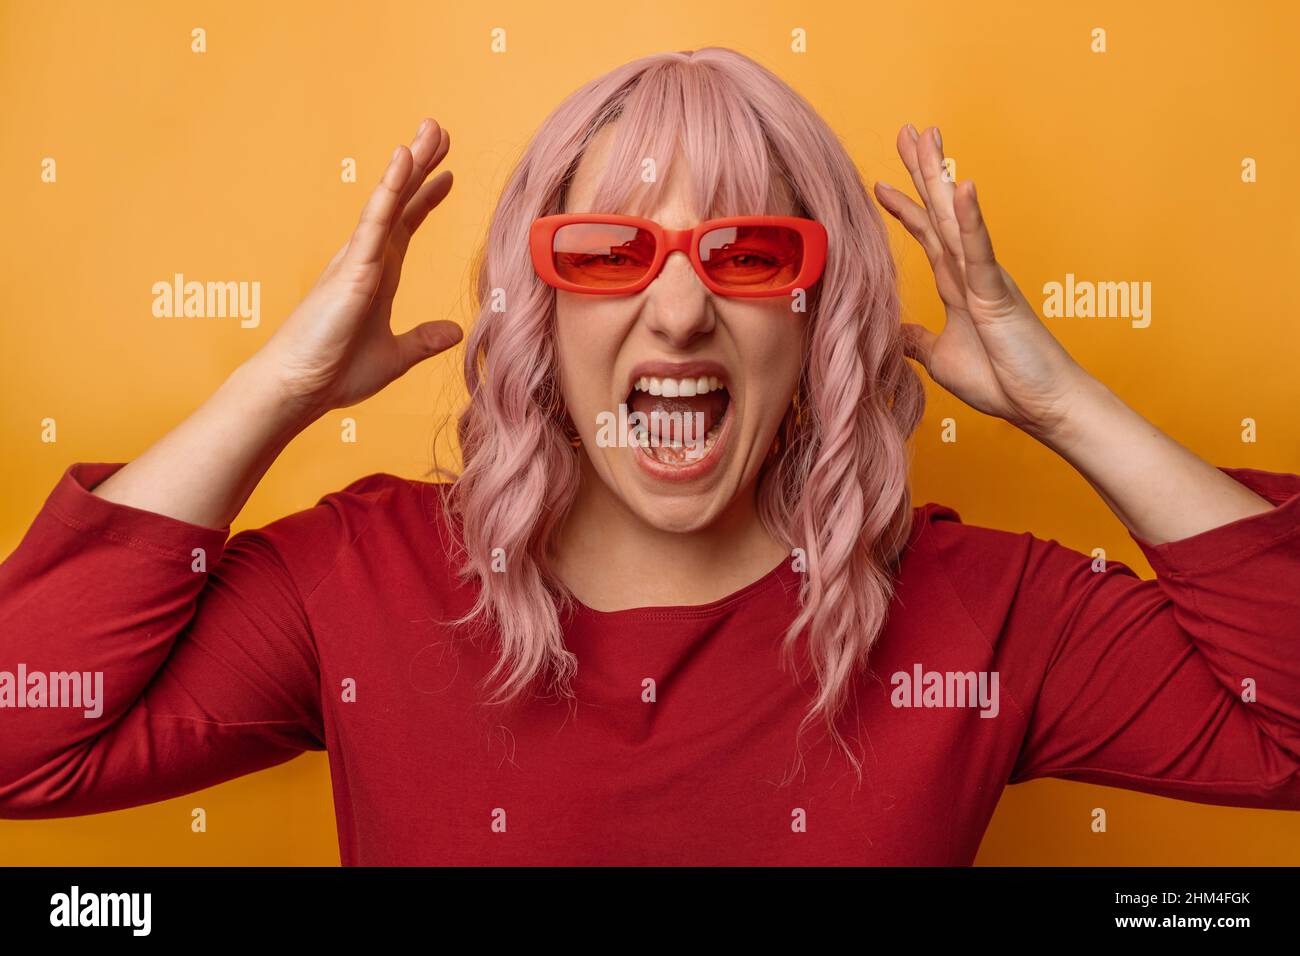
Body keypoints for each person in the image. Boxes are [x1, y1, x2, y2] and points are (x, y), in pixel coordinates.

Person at [1, 47, 1296, 866]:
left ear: (819, 314)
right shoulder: (366, 579)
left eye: (747, 256)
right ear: (540, 304)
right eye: (610, 253)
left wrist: (1068, 405)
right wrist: (276, 388)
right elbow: (22, 740)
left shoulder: (983, 615)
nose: (679, 312)